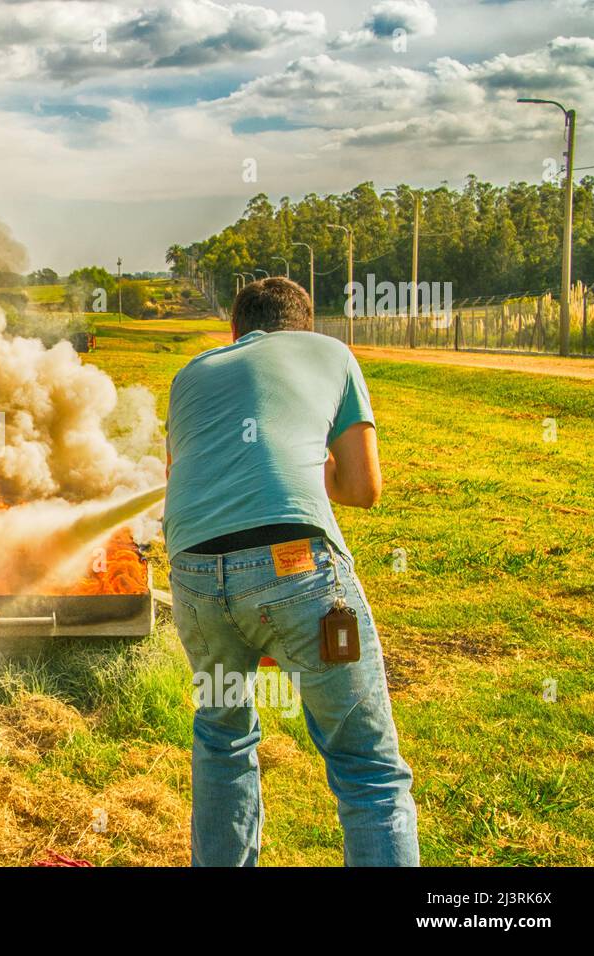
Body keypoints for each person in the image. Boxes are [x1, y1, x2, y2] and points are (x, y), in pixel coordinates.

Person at [163, 276, 418, 866]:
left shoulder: (189, 375)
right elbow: (363, 486)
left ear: (235, 332)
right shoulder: (331, 352)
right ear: (305, 326)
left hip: (195, 576)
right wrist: (309, 464)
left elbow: (181, 480)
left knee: (222, 737)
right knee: (367, 768)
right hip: (298, 569)